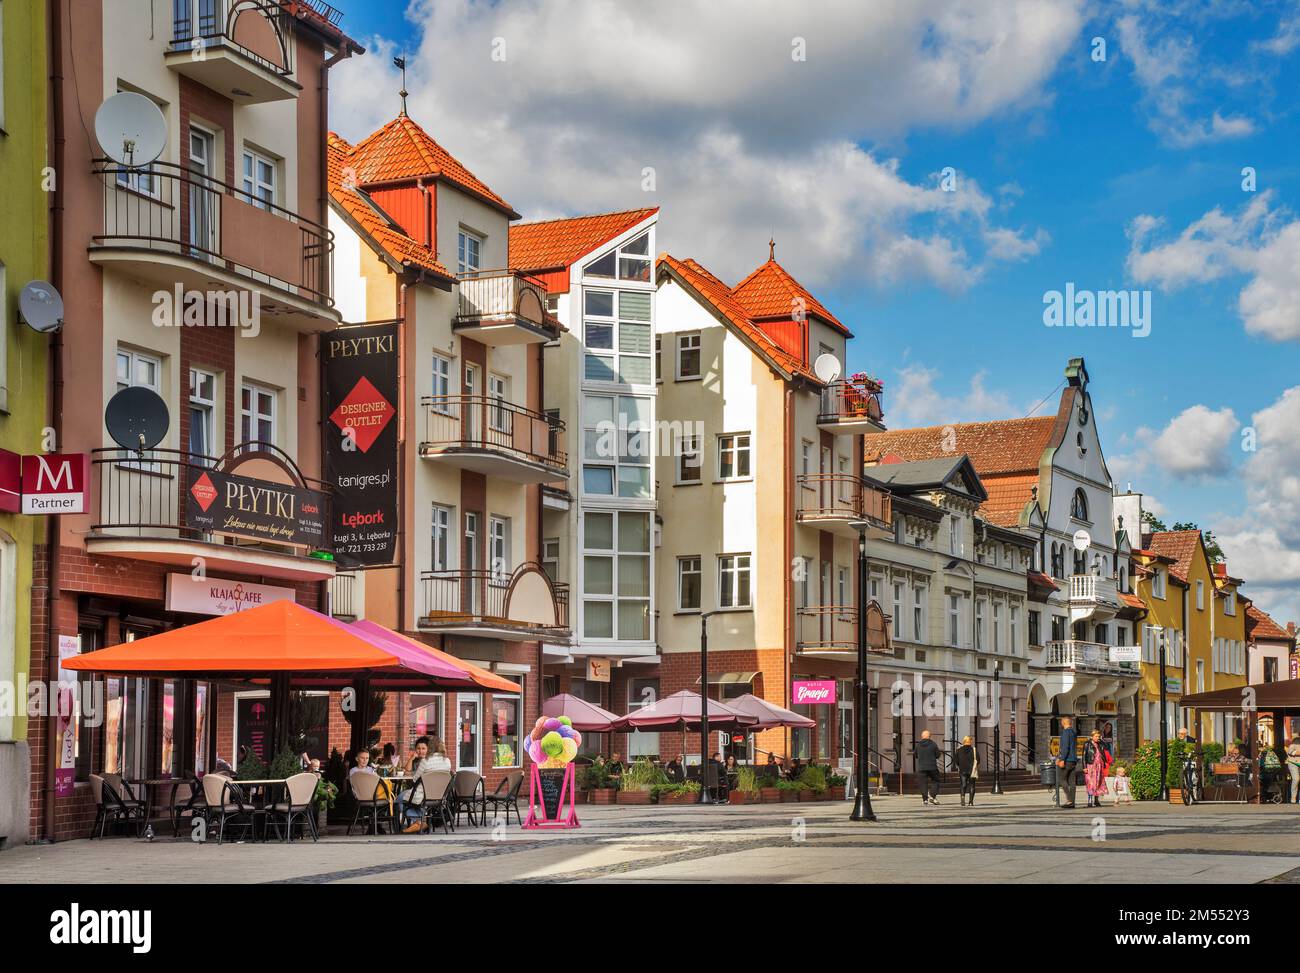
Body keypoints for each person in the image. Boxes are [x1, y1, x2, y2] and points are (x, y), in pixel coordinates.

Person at [400, 736, 451, 833]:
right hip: (439, 795)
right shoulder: (447, 761)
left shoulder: (425, 761)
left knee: (399, 799)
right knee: (404, 799)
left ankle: (418, 821)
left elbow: (415, 779)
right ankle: (421, 821)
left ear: (430, 747)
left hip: (423, 794)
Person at [1083, 729, 1112, 808]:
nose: (1097, 738)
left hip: (1099, 766)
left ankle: (1096, 800)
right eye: (1096, 736)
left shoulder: (1100, 743)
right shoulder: (1087, 744)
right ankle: (1089, 800)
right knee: (1090, 783)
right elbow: (1084, 756)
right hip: (1091, 766)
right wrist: (1084, 767)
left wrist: (1102, 740)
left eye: (1098, 736)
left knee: (1098, 783)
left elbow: (1106, 747)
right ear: (1092, 736)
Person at [1056, 716, 1078, 809]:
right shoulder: (1073, 732)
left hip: (1067, 759)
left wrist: (1062, 759)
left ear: (1063, 723)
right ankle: (1072, 802)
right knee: (1072, 782)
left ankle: (1069, 800)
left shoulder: (1065, 732)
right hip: (1073, 759)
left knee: (1062, 779)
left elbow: (1065, 747)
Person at [915, 730, 941, 805]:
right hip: (932, 766)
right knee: (936, 780)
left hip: (921, 767)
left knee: (922, 783)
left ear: (922, 737)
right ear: (929, 736)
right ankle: (932, 796)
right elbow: (938, 755)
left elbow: (915, 755)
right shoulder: (933, 744)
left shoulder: (918, 745)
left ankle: (925, 799)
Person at [954, 735, 978, 806]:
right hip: (972, 770)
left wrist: (960, 765)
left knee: (963, 784)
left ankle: (962, 798)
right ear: (970, 741)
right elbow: (978, 759)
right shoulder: (974, 750)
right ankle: (970, 802)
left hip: (962, 770)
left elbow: (956, 760)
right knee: (972, 785)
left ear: (963, 741)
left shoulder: (959, 750)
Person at [1286, 737, 1300, 804]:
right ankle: (1293, 798)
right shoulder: (1292, 745)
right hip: (1293, 763)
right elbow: (1292, 752)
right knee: (1296, 779)